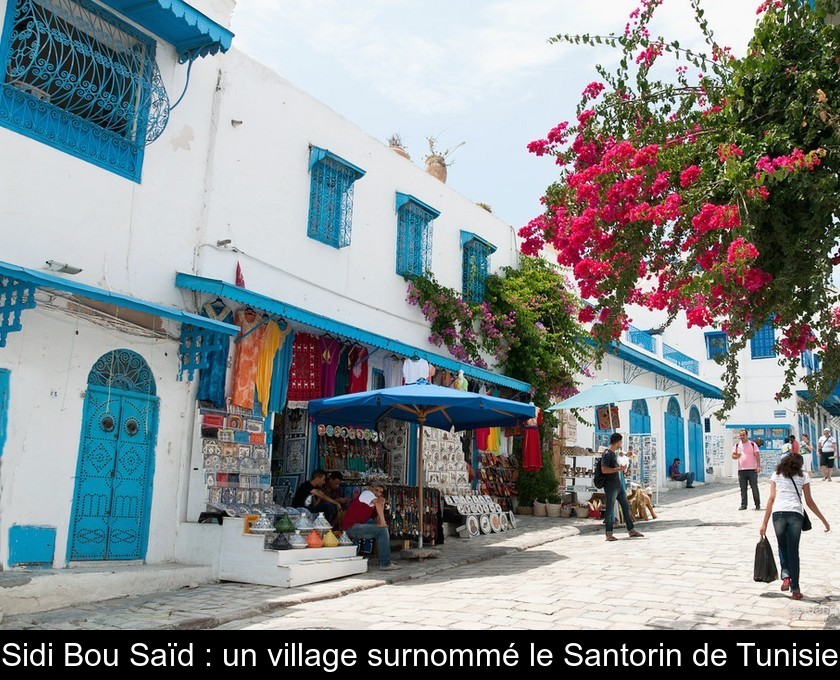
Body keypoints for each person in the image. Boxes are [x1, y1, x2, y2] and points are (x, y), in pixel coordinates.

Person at [759, 452, 830, 600]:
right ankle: (795, 589)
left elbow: (771, 498)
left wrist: (764, 523)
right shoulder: (803, 476)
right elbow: (809, 501)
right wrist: (824, 520)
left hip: (778, 513)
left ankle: (786, 577)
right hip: (795, 514)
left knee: (782, 546)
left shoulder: (776, 474)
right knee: (793, 551)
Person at [342, 481, 399, 571]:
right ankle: (385, 563)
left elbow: (377, 521)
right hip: (351, 528)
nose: (377, 493)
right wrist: (383, 523)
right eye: (376, 490)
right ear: (371, 488)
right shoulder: (366, 493)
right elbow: (381, 522)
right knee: (382, 530)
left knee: (381, 530)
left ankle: (385, 559)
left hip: (357, 527)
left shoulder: (372, 503)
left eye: (380, 492)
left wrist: (382, 504)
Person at [600, 432, 644, 542]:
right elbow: (604, 470)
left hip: (618, 485)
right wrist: (618, 470)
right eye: (621, 442)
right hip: (610, 486)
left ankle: (631, 530)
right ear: (618, 441)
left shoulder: (613, 453)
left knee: (626, 506)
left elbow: (620, 455)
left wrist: (626, 455)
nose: (621, 444)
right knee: (610, 509)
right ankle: (608, 534)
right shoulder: (607, 453)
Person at [732, 429, 761, 510]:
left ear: (747, 435)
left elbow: (757, 456)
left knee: (754, 487)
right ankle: (744, 504)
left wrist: (758, 466)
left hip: (752, 470)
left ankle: (757, 504)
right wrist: (737, 456)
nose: (742, 437)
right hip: (741, 470)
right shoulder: (737, 445)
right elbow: (733, 456)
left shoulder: (752, 444)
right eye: (740, 435)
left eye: (743, 435)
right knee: (743, 488)